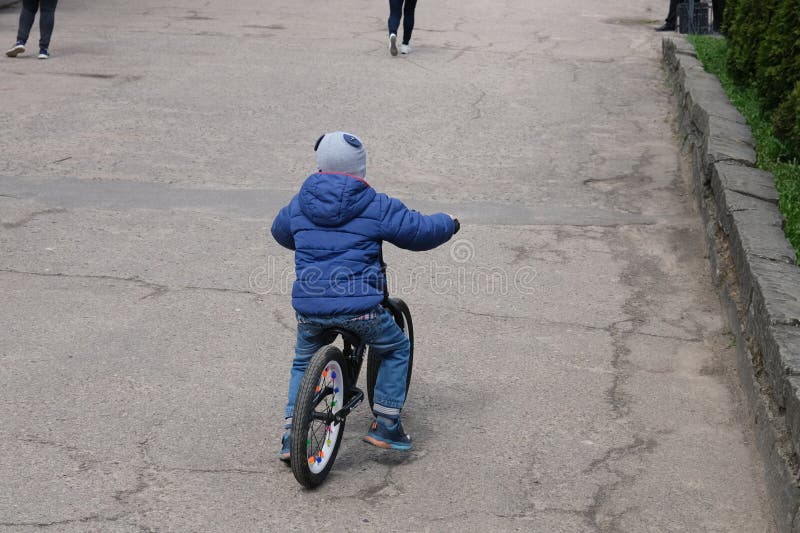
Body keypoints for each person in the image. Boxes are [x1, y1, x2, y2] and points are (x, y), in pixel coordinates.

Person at [271, 131, 459, 460]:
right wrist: (449, 222)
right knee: (396, 347)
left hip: (310, 307)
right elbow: (418, 231)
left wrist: (309, 241)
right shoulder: (374, 204)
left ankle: (291, 435)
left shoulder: (300, 202)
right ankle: (387, 424)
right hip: (361, 310)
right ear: (360, 169)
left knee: (303, 361)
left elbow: (280, 231)